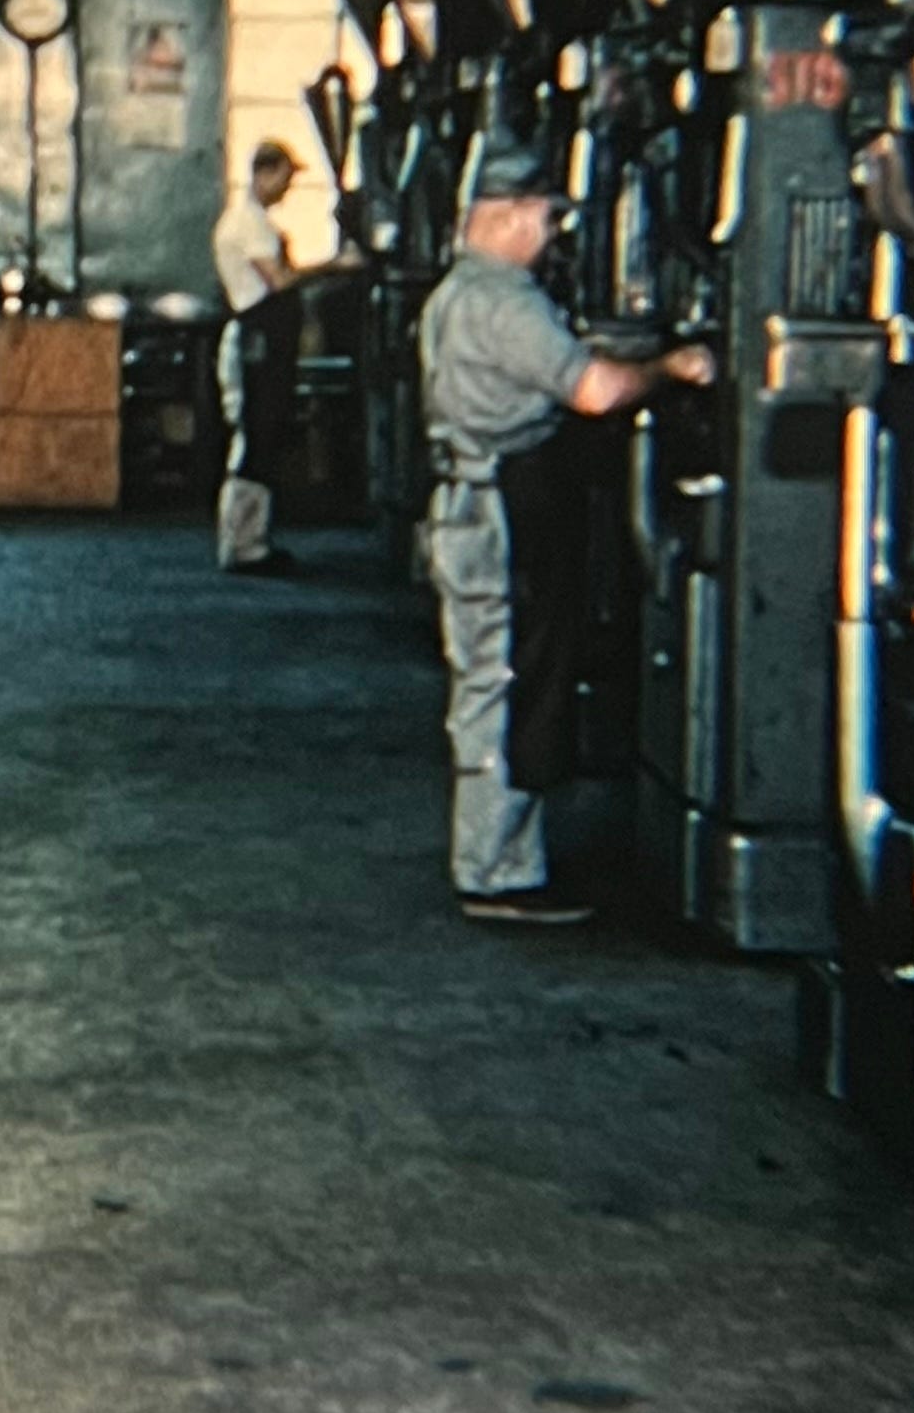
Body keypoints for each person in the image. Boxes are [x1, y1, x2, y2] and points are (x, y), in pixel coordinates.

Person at [421, 137, 715, 921]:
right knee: (508, 680)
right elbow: (593, 390)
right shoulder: (504, 300)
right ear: (511, 215)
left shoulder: (456, 292)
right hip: (500, 512)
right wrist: (672, 368)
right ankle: (496, 872)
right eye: (545, 219)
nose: (550, 235)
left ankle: (497, 856)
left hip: (470, 503)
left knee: (493, 676)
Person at [210, 140, 357, 575]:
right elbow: (278, 281)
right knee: (258, 436)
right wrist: (335, 266)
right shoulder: (249, 224)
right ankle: (243, 544)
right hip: (260, 338)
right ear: (264, 173)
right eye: (285, 179)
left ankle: (249, 539)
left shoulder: (253, 221)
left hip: (266, 339)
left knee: (264, 435)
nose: (288, 189)